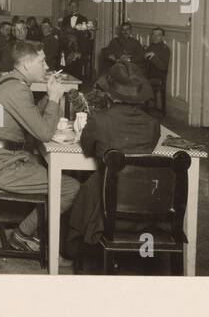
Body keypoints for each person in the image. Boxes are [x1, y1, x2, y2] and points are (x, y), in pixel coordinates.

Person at [0, 40, 80, 253]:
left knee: (46, 163)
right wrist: (53, 99)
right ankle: (23, 234)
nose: (46, 66)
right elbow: (44, 133)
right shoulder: (18, 89)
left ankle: (41, 228)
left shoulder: (8, 80)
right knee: (71, 187)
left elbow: (28, 113)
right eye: (42, 62)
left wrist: (50, 99)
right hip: (2, 167)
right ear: (25, 65)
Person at [66, 63, 162, 263]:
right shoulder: (153, 125)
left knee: (87, 187)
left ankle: (77, 247)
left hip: (106, 210)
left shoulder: (100, 120)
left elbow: (87, 149)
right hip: (146, 205)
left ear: (110, 95)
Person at [145, 27, 171, 103]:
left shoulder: (165, 49)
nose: (155, 37)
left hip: (156, 76)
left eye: (158, 35)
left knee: (135, 79)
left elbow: (163, 67)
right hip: (147, 73)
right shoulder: (151, 46)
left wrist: (153, 56)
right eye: (153, 35)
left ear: (163, 37)